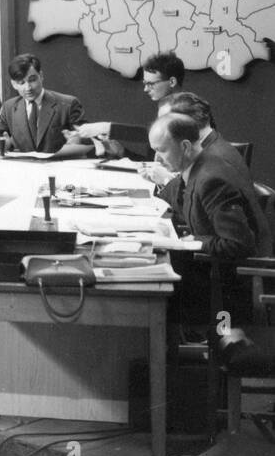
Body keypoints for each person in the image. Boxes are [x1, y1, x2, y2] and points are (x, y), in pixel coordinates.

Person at [147, 113, 272, 327]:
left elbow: (238, 244)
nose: (156, 159)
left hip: (227, 289)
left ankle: (161, 352)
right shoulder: (196, 167)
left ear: (185, 146)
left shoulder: (211, 179)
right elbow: (173, 198)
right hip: (211, 271)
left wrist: (193, 241)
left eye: (161, 150)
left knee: (151, 293)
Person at [72, 51, 186, 159]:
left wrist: (106, 128)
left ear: (172, 82)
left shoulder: (187, 109)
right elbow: (154, 163)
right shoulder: (165, 109)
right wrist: (122, 152)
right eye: (145, 84)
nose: (146, 89)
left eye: (151, 84)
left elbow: (153, 133)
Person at [0, 54, 92, 155]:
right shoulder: (9, 107)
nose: (28, 88)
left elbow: (89, 139)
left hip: (58, 169)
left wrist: (78, 140)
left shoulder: (68, 104)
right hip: (24, 169)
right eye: (21, 83)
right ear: (14, 84)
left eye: (32, 80)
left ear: (41, 76)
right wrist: (4, 143)